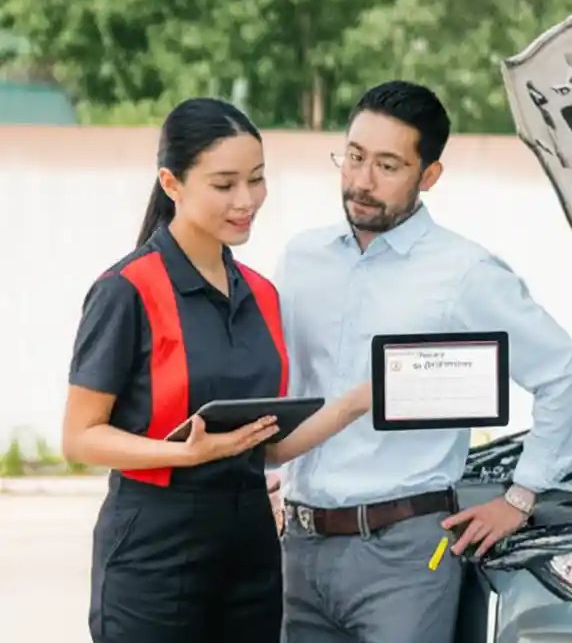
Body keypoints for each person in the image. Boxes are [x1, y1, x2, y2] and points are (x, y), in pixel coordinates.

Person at [275, 80, 572, 642]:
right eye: (354, 157)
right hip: (298, 552)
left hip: (405, 555)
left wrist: (520, 497)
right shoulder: (301, 259)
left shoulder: (463, 273)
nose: (362, 181)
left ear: (429, 177)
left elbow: (566, 375)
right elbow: (286, 385)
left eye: (388, 166)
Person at [61, 97, 373, 643]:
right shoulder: (127, 291)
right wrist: (183, 454)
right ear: (172, 183)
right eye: (224, 184)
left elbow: (266, 446)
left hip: (250, 545)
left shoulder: (263, 294)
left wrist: (355, 402)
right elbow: (80, 437)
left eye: (256, 180)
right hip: (154, 548)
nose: (247, 200)